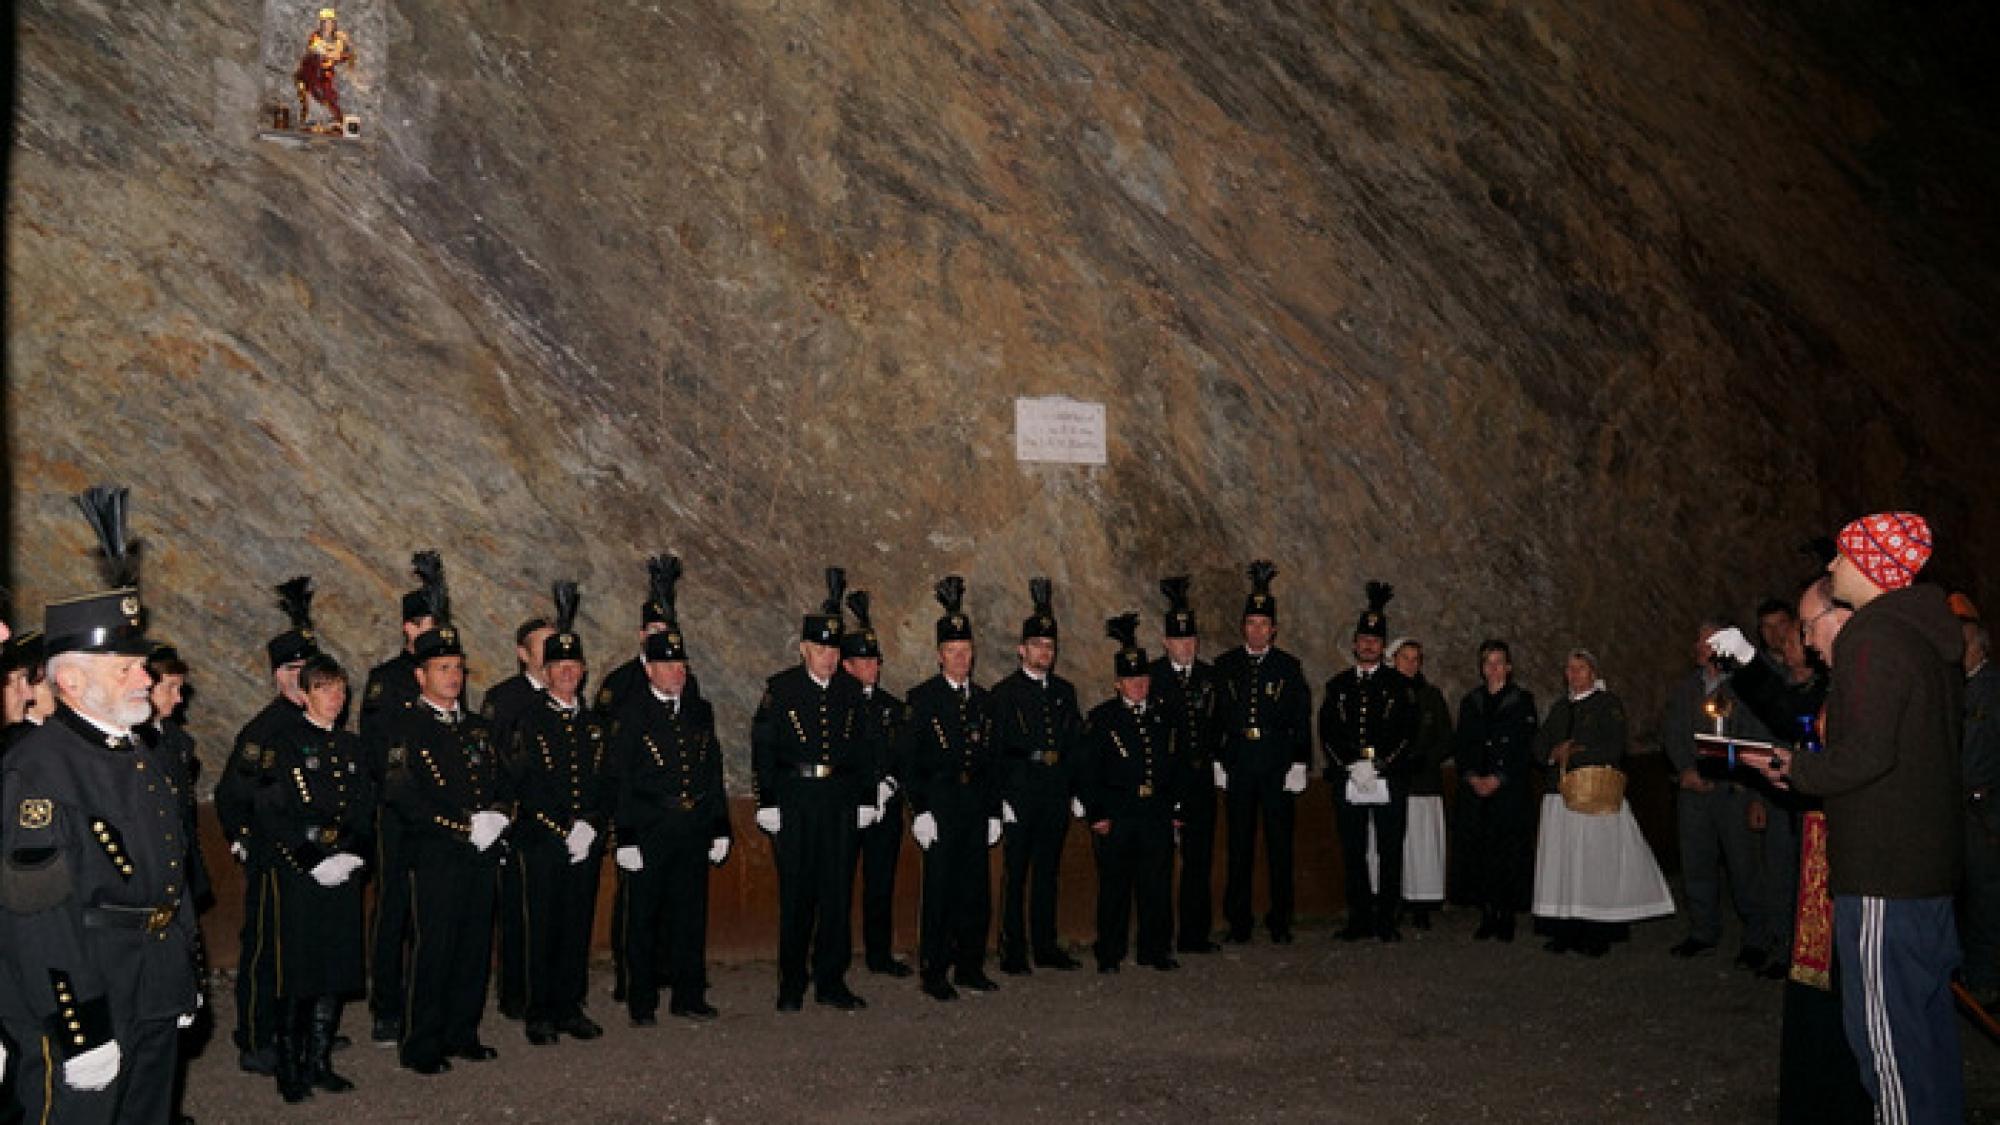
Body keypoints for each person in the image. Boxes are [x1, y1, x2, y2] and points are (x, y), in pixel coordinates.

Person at [0, 485, 200, 1125]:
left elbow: (170, 865)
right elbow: (37, 915)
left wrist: (183, 968)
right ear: (71, 680)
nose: (145, 678)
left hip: (152, 980)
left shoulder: (142, 752)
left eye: (141, 665)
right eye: (127, 669)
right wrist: (78, 1024)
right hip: (89, 987)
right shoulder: (37, 768)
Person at [1762, 512, 1965, 1124]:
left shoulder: (1873, 638)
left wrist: (1797, 769)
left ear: (1873, 567)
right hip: (1923, 871)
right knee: (1927, 1040)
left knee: (1889, 1049)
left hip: (1884, 872)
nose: (1831, 567)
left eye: (1842, 557)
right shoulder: (1925, 635)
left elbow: (1868, 754)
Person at [1710, 578, 1871, 1124]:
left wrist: (1795, 770)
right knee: (1817, 978)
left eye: (1805, 628)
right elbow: (1788, 712)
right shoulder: (1835, 682)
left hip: (1859, 853)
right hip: (1822, 841)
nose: (1797, 640)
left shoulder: (1867, 680)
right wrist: (1750, 662)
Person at [379, 596, 512, 1075]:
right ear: (421, 676)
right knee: (434, 951)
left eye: (457, 667)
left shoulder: (477, 729)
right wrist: (463, 828)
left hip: (479, 857)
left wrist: (497, 815)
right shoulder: (406, 729)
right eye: (441, 668)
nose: (452, 676)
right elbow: (404, 796)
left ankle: (463, 1032)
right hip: (433, 855)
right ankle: (421, 1044)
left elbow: (503, 781)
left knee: (475, 947)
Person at [609, 558, 731, 1023]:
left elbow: (711, 770)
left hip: (692, 825)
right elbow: (619, 778)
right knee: (643, 918)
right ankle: (641, 1002)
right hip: (650, 825)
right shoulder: (632, 713)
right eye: (667, 663)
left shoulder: (698, 710)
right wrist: (627, 837)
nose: (676, 671)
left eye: (680, 663)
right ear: (649, 666)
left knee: (689, 916)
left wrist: (719, 825)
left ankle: (688, 995)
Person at [750, 568, 874, 1012]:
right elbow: (763, 747)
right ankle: (791, 983)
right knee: (798, 896)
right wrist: (767, 802)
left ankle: (831, 981)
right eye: (820, 648)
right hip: (797, 802)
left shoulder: (851, 691)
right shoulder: (780, 690)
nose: (827, 655)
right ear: (804, 648)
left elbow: (863, 749)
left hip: (839, 802)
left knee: (837, 895)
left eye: (833, 649)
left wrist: (865, 799)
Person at [253, 655, 372, 1102]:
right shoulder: (281, 744)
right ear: (304, 694)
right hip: (302, 871)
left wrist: (354, 854)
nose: (335, 697)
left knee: (334, 969)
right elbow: (270, 810)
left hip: (343, 868)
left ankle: (320, 1062)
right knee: (299, 972)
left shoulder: (353, 746)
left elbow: (365, 808)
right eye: (324, 688)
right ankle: (291, 1068)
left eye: (340, 688)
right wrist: (311, 859)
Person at [220, 576, 318, 1075]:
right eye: (295, 669)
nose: (303, 677)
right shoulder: (266, 729)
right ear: (279, 675)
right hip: (274, 857)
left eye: (310, 668)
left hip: (314, 857)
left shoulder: (320, 723)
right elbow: (232, 794)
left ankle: (301, 1031)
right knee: (265, 953)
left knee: (306, 948)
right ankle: (257, 1039)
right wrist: (242, 840)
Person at [504, 583, 609, 1046]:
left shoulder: (594, 726)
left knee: (576, 924)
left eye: (573, 666)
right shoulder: (528, 720)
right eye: (557, 666)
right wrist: (563, 828)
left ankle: (570, 1006)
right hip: (541, 842)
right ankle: (539, 1011)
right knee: (540, 928)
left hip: (584, 840)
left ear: (583, 672)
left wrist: (590, 824)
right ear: (545, 671)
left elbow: (607, 783)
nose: (566, 673)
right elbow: (523, 785)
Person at [897, 577, 1003, 1001]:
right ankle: (935, 970)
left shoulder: (984, 701)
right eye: (954, 653)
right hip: (940, 804)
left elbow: (994, 760)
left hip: (975, 803)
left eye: (967, 652)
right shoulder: (921, 699)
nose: (962, 659)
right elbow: (909, 761)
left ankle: (971, 966)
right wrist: (919, 809)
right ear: (940, 655)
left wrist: (995, 810)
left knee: (975, 890)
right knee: (939, 890)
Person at [1529, 649, 1673, 956]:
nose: (1574, 675)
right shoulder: (1560, 707)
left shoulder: (1608, 705)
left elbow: (1613, 746)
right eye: (1569, 670)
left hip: (1594, 795)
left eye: (1580, 669)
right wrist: (1553, 753)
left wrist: (1575, 754)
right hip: (1561, 794)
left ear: (1593, 672)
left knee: (1594, 864)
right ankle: (1565, 927)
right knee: (1565, 863)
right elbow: (1540, 744)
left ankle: (1597, 930)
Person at [362, 551, 443, 1045]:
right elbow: (379, 746)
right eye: (421, 624)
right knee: (393, 909)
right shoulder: (386, 679)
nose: (428, 632)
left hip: (441, 815)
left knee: (434, 909)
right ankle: (386, 1006)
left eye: (435, 623)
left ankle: (428, 998)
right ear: (406, 628)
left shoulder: (446, 674)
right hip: (396, 812)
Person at [1661, 620, 1774, 969]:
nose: (1699, 648)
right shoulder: (1686, 689)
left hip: (1733, 792)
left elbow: (1757, 734)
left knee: (1744, 865)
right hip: (1695, 791)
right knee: (1696, 862)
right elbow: (1673, 732)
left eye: (1706, 642)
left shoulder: (1744, 688)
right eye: (1698, 641)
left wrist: (1751, 788)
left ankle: (1757, 936)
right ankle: (1703, 930)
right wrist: (1685, 770)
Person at [1080, 615, 1183, 973]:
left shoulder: (1162, 717)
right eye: (1130, 680)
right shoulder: (1102, 720)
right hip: (1118, 815)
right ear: (1117, 684)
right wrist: (1097, 814)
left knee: (1156, 885)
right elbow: (1088, 772)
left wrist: (1175, 808)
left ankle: (1155, 950)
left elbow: (1174, 766)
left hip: (1154, 811)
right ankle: (1109, 954)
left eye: (1142, 679)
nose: (1137, 685)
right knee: (1115, 889)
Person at [1216, 560, 1312, 944]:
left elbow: (1300, 716)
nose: (1257, 629)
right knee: (1238, 846)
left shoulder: (1288, 666)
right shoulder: (1226, 665)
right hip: (1239, 763)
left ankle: (1280, 919)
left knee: (1279, 846)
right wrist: (1218, 758)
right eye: (1251, 623)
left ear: (1274, 628)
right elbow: (1218, 716)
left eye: (1263, 624)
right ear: (1244, 627)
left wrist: (1301, 762)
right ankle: (1238, 920)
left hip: (1276, 764)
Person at [992, 578, 1084, 974]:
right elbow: (994, 752)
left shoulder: (1064, 691)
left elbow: (1075, 744)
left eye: (1050, 646)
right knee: (1016, 875)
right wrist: (1000, 798)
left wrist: (1076, 789)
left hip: (1053, 789)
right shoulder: (1003, 693)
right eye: (1037, 646)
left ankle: (1045, 946)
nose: (1044, 652)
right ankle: (1012, 950)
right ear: (1021, 650)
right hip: (1020, 791)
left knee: (1048, 872)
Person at [1320, 581, 1416, 942]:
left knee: (1390, 850)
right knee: (1354, 850)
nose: (1368, 645)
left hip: (1389, 777)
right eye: (1363, 639)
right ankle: (1359, 918)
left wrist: (1379, 766)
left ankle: (1387, 919)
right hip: (1349, 778)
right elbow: (1327, 732)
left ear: (1382, 646)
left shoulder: (1400, 686)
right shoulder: (1338, 685)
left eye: (1375, 640)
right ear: (1355, 643)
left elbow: (1407, 734)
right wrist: (1350, 765)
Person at [482, 614, 552, 1025]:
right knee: (518, 916)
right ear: (522, 654)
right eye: (543, 647)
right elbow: (493, 764)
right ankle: (516, 996)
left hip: (559, 824)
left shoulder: (567, 694)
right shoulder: (504, 699)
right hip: (519, 822)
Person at [1149, 577, 1222, 954]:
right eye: (1179, 641)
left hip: (1200, 780)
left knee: (1199, 860)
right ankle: (1159, 938)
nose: (1186, 647)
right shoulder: (1151, 677)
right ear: (1165, 643)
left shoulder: (1210, 677)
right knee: (1161, 861)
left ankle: (1195, 935)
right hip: (1165, 780)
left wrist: (1220, 760)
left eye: (1191, 640)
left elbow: (1221, 723)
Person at [841, 588, 911, 977]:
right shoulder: (835, 706)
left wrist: (888, 784)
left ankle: (879, 954)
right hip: (848, 807)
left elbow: (904, 754)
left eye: (875, 660)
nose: (873, 666)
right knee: (837, 884)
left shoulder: (893, 708)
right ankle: (830, 956)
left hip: (884, 810)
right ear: (847, 665)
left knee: (880, 884)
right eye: (864, 660)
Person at [1451, 640, 1538, 941]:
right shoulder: (1471, 702)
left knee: (1508, 853)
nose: (1493, 668)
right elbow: (1462, 745)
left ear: (1509, 667)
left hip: (1508, 792)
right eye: (1488, 662)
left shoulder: (1521, 701)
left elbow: (1525, 746)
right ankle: (1487, 912)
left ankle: (1506, 915)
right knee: (1482, 853)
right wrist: (1473, 777)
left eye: (1499, 662)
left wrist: (1499, 778)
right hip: (1477, 792)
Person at [1387, 637, 1452, 931]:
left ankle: (1422, 904)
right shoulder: (1385, 692)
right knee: (1394, 844)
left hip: (1424, 782)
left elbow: (1446, 738)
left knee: (1423, 847)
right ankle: (1394, 900)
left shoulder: (1431, 696)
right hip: (1393, 782)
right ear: (1394, 659)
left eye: (1416, 658)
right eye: (1405, 658)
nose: (1411, 664)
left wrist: (1426, 759)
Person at [1959, 608, 2000, 1008]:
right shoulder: (1960, 688)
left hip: (1983, 808)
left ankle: (1984, 978)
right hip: (1961, 807)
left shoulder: (1990, 689)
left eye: (1964, 644)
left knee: (1986, 895)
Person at [293, 8, 355, 130]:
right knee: (316, 93)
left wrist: (345, 45)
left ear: (334, 24)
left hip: (326, 75)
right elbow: (315, 50)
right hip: (312, 72)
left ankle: (332, 121)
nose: (328, 25)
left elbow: (346, 55)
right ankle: (314, 119)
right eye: (325, 22)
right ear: (321, 24)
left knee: (329, 97)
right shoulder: (315, 37)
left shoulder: (339, 39)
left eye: (330, 22)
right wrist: (330, 53)